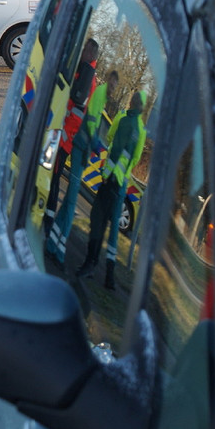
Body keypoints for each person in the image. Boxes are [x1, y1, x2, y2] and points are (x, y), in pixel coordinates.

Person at [76, 89, 147, 289]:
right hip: (122, 182)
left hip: (110, 179)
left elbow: (111, 140)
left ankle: (90, 263)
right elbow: (136, 158)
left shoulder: (123, 118)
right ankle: (109, 274)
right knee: (114, 229)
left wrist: (109, 173)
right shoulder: (141, 129)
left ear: (131, 103)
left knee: (97, 220)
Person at [47, 68, 117, 264]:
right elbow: (89, 125)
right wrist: (94, 144)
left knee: (69, 199)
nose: (114, 88)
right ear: (109, 81)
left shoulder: (99, 95)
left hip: (78, 147)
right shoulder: (98, 95)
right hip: (79, 148)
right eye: (113, 84)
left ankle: (53, 241)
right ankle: (58, 250)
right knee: (70, 203)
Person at [46, 38, 99, 212]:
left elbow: (76, 116)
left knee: (53, 179)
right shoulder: (84, 74)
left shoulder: (87, 79)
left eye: (84, 50)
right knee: (50, 176)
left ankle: (47, 217)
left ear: (90, 53)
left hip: (63, 140)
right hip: (60, 135)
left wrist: (62, 138)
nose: (81, 52)